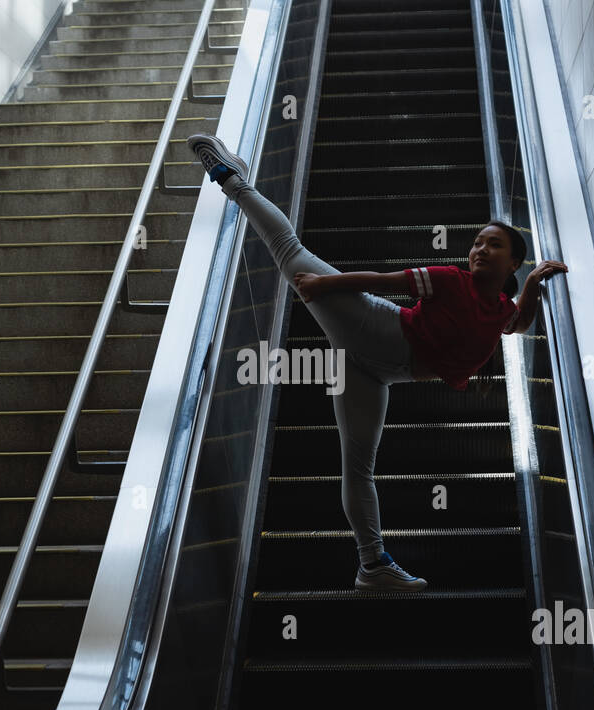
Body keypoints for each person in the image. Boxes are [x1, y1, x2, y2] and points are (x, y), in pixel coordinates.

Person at [187, 134, 568, 592]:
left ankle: (372, 564)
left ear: (513, 263)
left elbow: (519, 323)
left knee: (359, 468)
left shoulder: (500, 311)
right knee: (287, 250)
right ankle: (230, 178)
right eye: (477, 243)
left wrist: (532, 286)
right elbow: (386, 280)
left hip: (376, 371)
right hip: (369, 324)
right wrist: (326, 287)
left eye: (493, 246)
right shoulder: (451, 280)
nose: (479, 250)